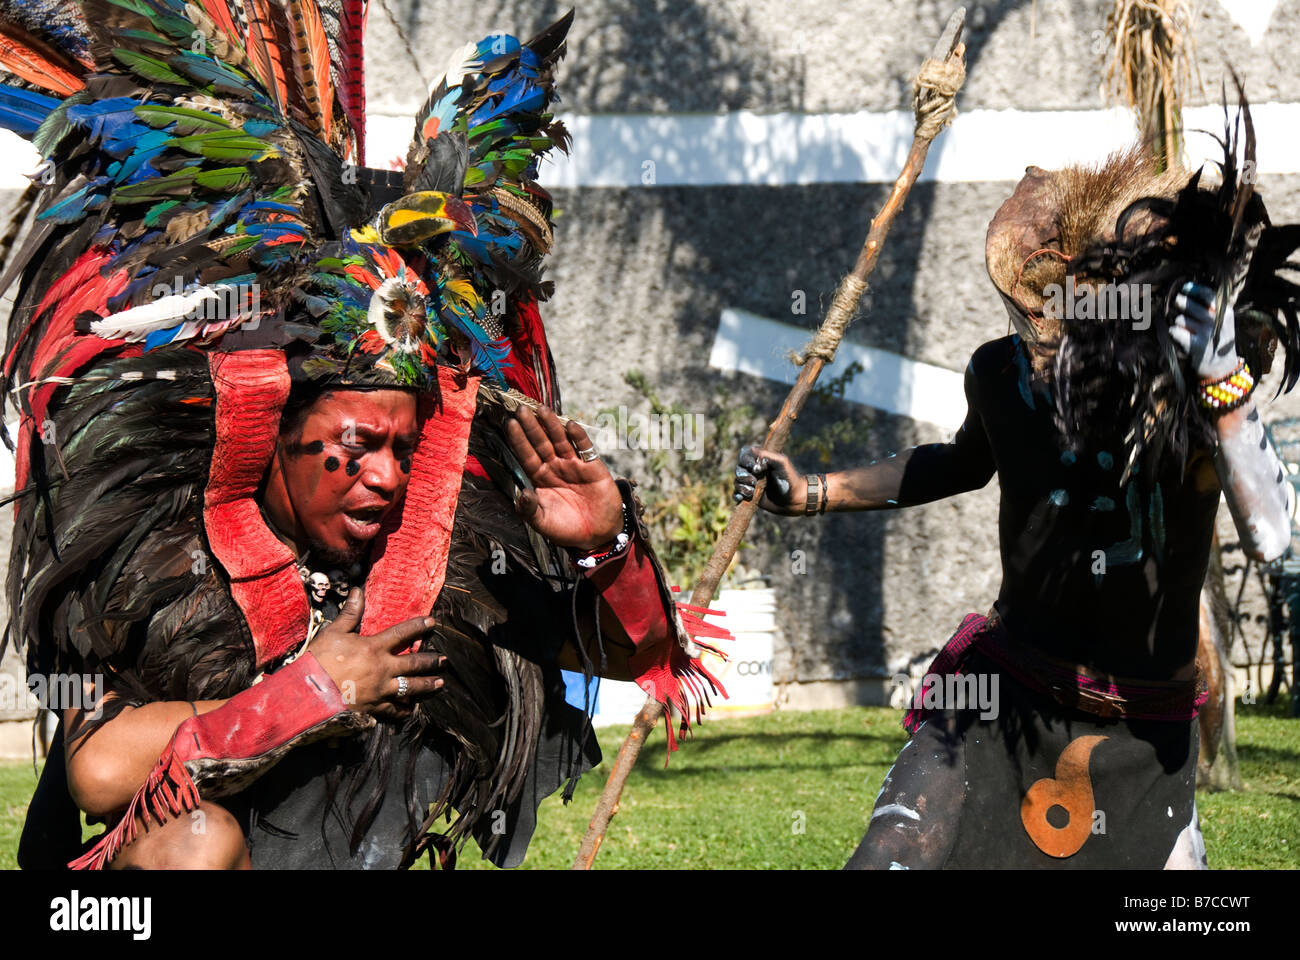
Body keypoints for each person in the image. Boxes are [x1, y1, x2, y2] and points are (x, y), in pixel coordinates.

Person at [2, 6, 724, 870]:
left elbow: (627, 653)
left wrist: (607, 549)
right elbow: (98, 769)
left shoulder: (442, 560)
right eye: (353, 445)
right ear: (273, 435)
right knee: (196, 842)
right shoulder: (164, 541)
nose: (384, 476)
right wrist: (318, 688)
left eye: (403, 449)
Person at [735, 124, 1300, 868]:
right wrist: (811, 490)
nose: (1039, 348)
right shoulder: (999, 373)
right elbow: (962, 461)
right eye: (1030, 318)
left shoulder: (1188, 407)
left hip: (1141, 735)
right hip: (1005, 696)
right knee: (888, 856)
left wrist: (1225, 392)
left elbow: (1273, 535)